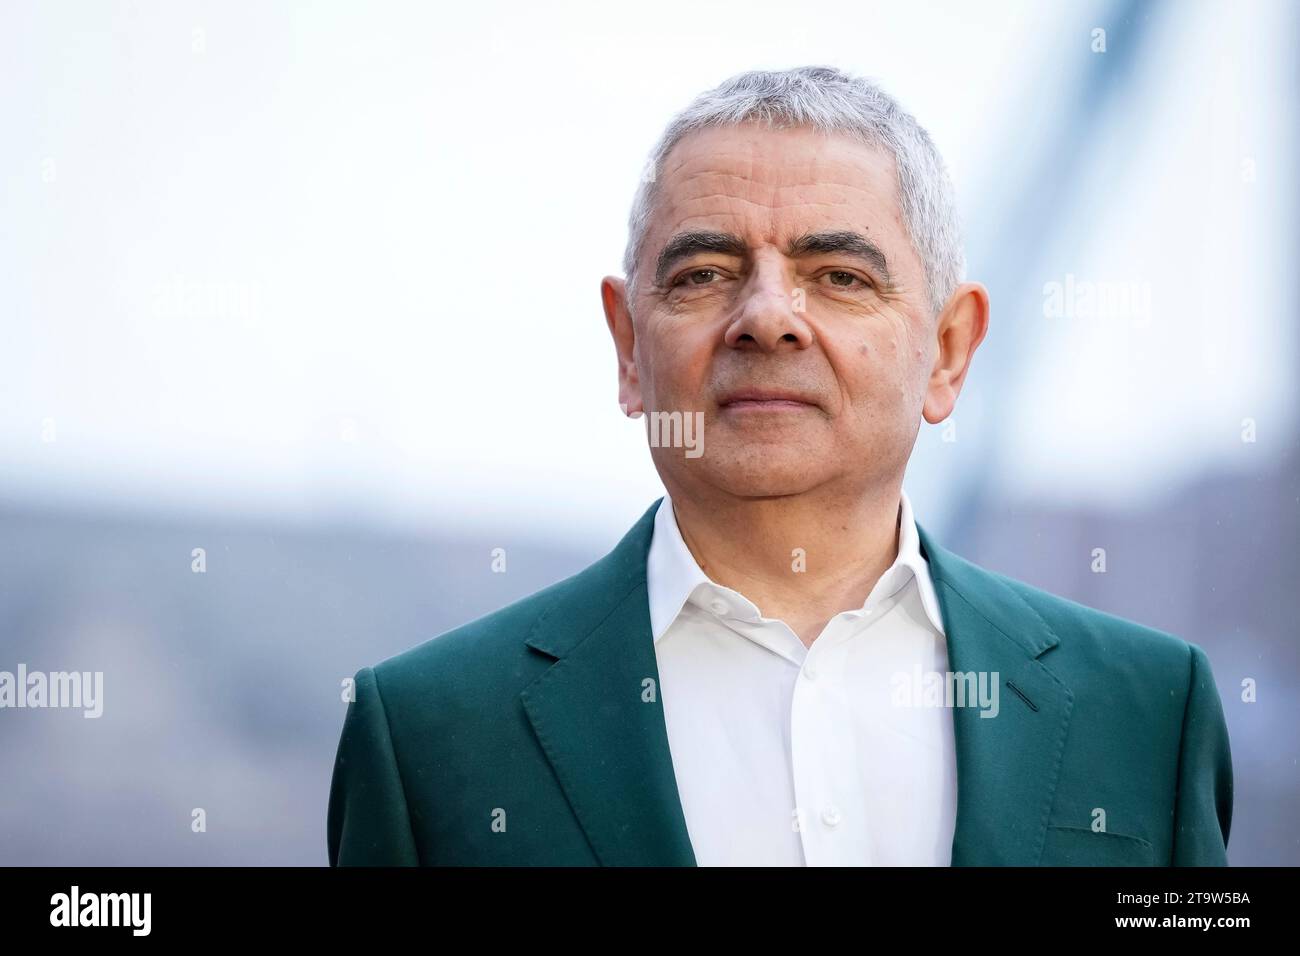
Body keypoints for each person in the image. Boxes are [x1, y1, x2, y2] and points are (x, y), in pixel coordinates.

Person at [328, 65, 1232, 866]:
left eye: (838, 274)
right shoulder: (428, 735)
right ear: (629, 349)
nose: (767, 317)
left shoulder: (1149, 710)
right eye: (704, 274)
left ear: (949, 350)